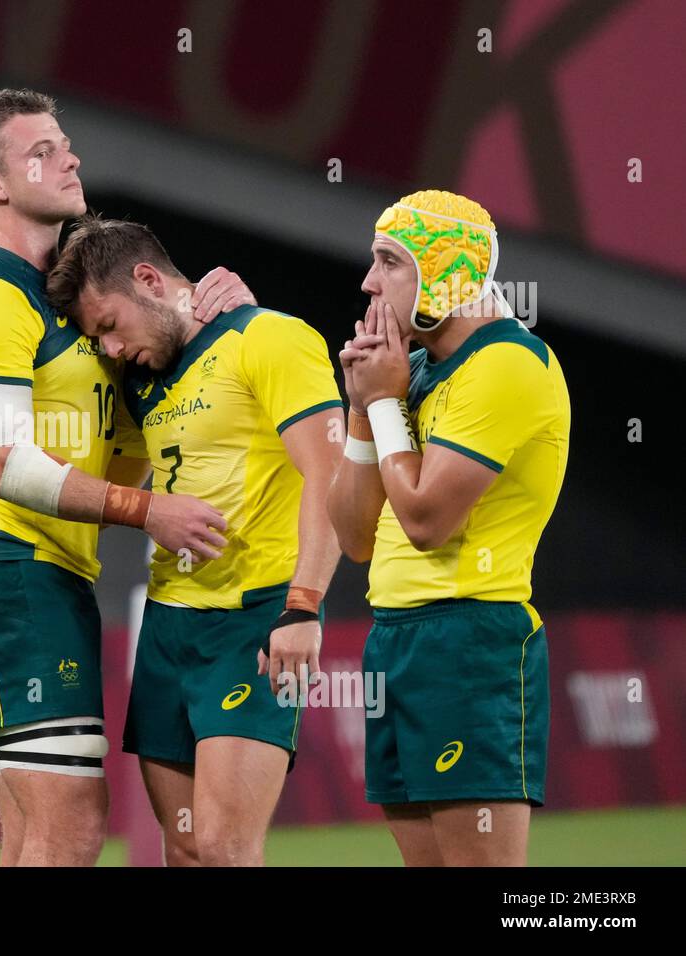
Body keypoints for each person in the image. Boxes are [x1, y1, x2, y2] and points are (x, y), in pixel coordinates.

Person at [0, 89, 253, 866]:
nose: (69, 157)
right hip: (10, 576)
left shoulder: (63, 306)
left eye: (67, 142)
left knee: (34, 836)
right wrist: (149, 512)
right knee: (70, 828)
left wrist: (211, 313)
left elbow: (104, 443)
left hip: (46, 578)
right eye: (41, 150)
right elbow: (5, 464)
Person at [46, 214, 343, 865]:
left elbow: (330, 472)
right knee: (182, 848)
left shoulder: (272, 338)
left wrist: (303, 604)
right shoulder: (142, 383)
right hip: (168, 627)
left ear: (149, 279)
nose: (112, 349)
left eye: (110, 326)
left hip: (255, 622)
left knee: (223, 846)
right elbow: (100, 492)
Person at [328, 189, 570, 866]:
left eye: (389, 262)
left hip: (472, 641)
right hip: (395, 636)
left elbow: (427, 520)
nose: (369, 281)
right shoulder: (413, 375)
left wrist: (382, 405)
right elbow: (354, 536)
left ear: (446, 272)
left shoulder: (506, 365)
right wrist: (360, 410)